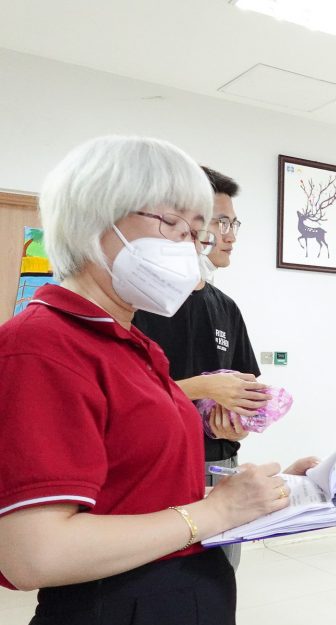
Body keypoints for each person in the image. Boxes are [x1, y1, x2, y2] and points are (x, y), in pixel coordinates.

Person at [0, 135, 297, 625]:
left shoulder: (134, 346)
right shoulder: (40, 346)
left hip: (180, 611)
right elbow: (34, 552)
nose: (192, 250)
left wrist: (258, 493)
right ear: (97, 220)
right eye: (176, 228)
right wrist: (212, 513)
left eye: (198, 233)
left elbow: (138, 487)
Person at [133, 166, 269, 569]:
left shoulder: (225, 306)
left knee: (217, 589)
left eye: (234, 223)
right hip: (156, 472)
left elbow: (247, 389)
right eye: (220, 222)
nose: (229, 235)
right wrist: (204, 389)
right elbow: (127, 395)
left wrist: (239, 418)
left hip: (220, 468)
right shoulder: (139, 302)